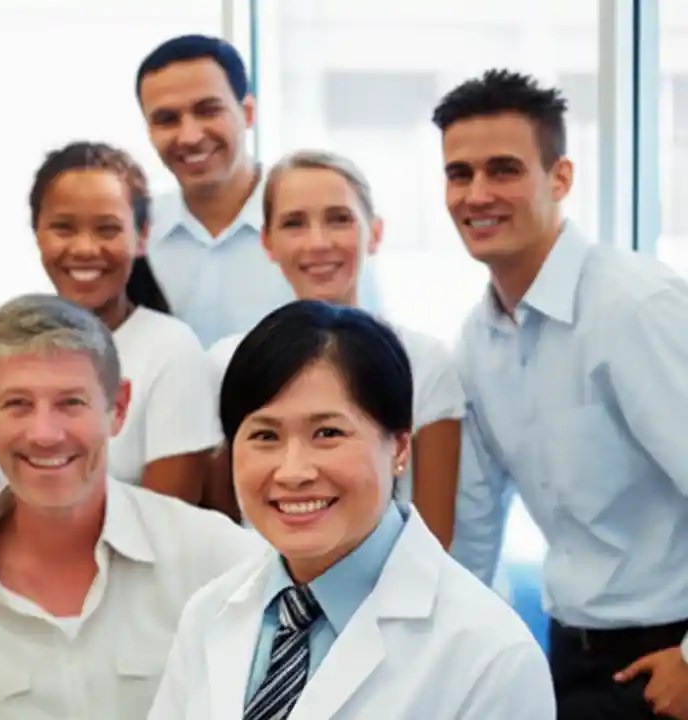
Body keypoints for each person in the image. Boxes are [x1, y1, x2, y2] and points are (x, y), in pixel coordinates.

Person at [147, 300, 553, 719]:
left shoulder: (491, 657)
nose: (293, 472)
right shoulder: (208, 613)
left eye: (327, 433)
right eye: (265, 435)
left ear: (399, 446)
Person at [439, 69, 688, 720]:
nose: (477, 194)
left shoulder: (635, 306)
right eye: (459, 174)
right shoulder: (478, 337)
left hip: (666, 649)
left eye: (503, 169)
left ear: (561, 178)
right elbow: (474, 530)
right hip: (567, 650)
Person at [0, 294, 261, 720]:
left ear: (117, 409)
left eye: (71, 403)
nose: (44, 433)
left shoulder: (215, 556)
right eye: (18, 404)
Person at [207, 150, 464, 545]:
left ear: (374, 232)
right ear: (267, 242)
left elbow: (435, 541)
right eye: (294, 223)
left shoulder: (425, 362)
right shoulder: (227, 363)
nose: (318, 242)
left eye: (339, 219)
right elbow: (221, 526)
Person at [0, 141, 219, 517]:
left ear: (142, 236)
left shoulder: (170, 349)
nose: (85, 248)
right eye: (63, 228)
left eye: (107, 229)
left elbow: (163, 525)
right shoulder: (9, 337)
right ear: (37, 232)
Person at [134, 34, 289, 347]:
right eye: (167, 119)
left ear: (247, 113)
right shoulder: (133, 235)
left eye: (208, 110)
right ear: (149, 131)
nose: (189, 136)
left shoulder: (311, 227)